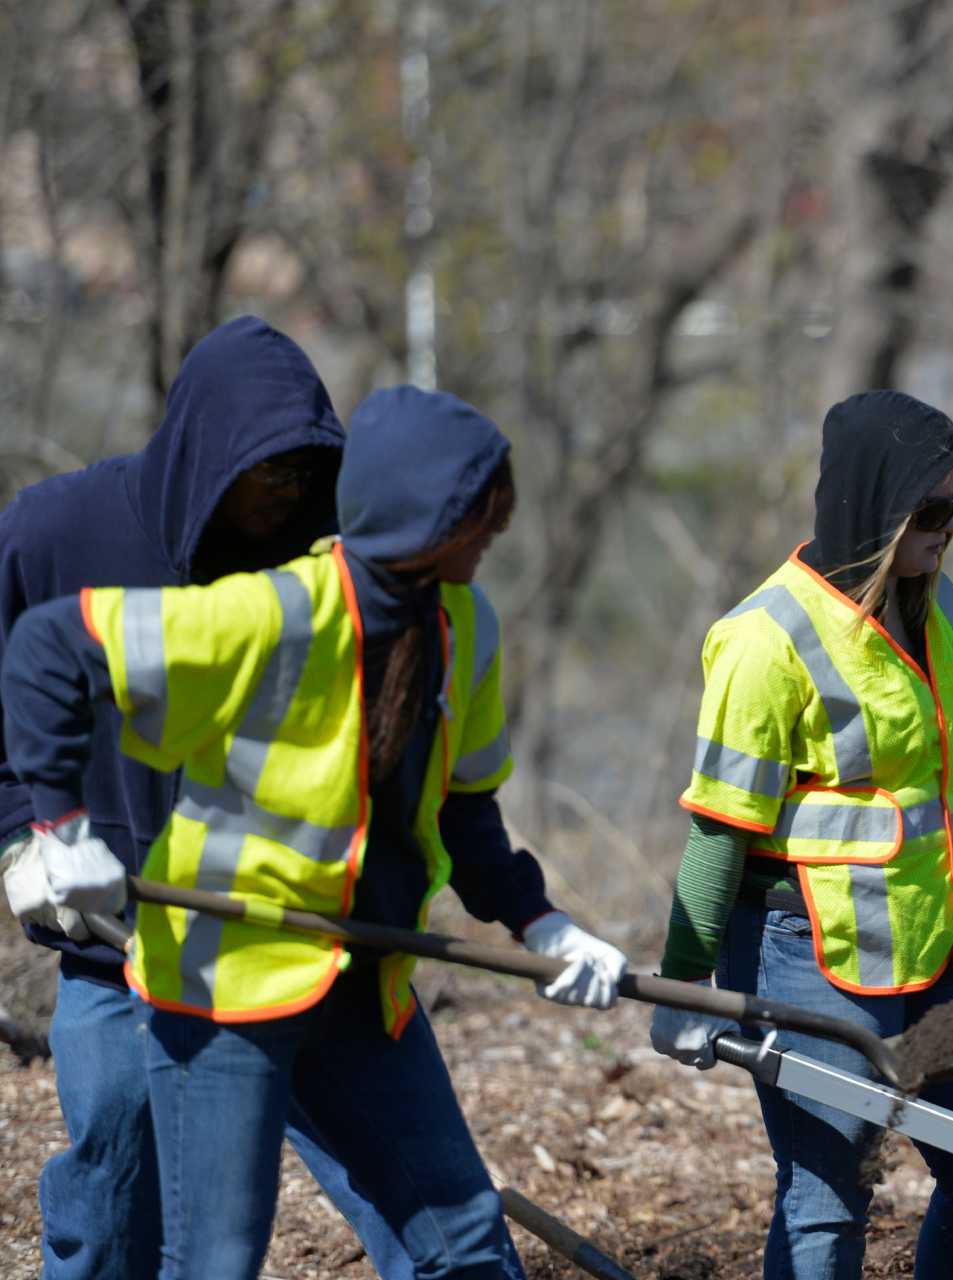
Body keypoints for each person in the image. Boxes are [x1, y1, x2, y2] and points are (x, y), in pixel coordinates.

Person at [1, 384, 629, 1280]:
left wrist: (543, 923)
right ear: (423, 515)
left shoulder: (466, 630)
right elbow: (46, 650)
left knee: (467, 1252)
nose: (495, 532)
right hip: (227, 990)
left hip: (364, 987)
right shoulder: (271, 615)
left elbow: (464, 810)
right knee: (215, 1262)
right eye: (479, 514)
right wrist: (54, 831)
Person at [0, 316, 419, 1279]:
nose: (285, 497)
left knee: (428, 1214)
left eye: (303, 475)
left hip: (296, 944)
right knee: (110, 1221)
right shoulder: (53, 533)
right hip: (119, 954)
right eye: (266, 473)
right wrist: (25, 839)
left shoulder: (321, 568)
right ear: (202, 451)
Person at [647, 390, 953, 1280]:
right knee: (828, 1200)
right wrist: (680, 990)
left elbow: (931, 782)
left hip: (935, 949)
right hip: (808, 954)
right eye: (929, 511)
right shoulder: (763, 642)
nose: (947, 529)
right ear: (873, 511)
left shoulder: (945, 612)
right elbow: (717, 836)